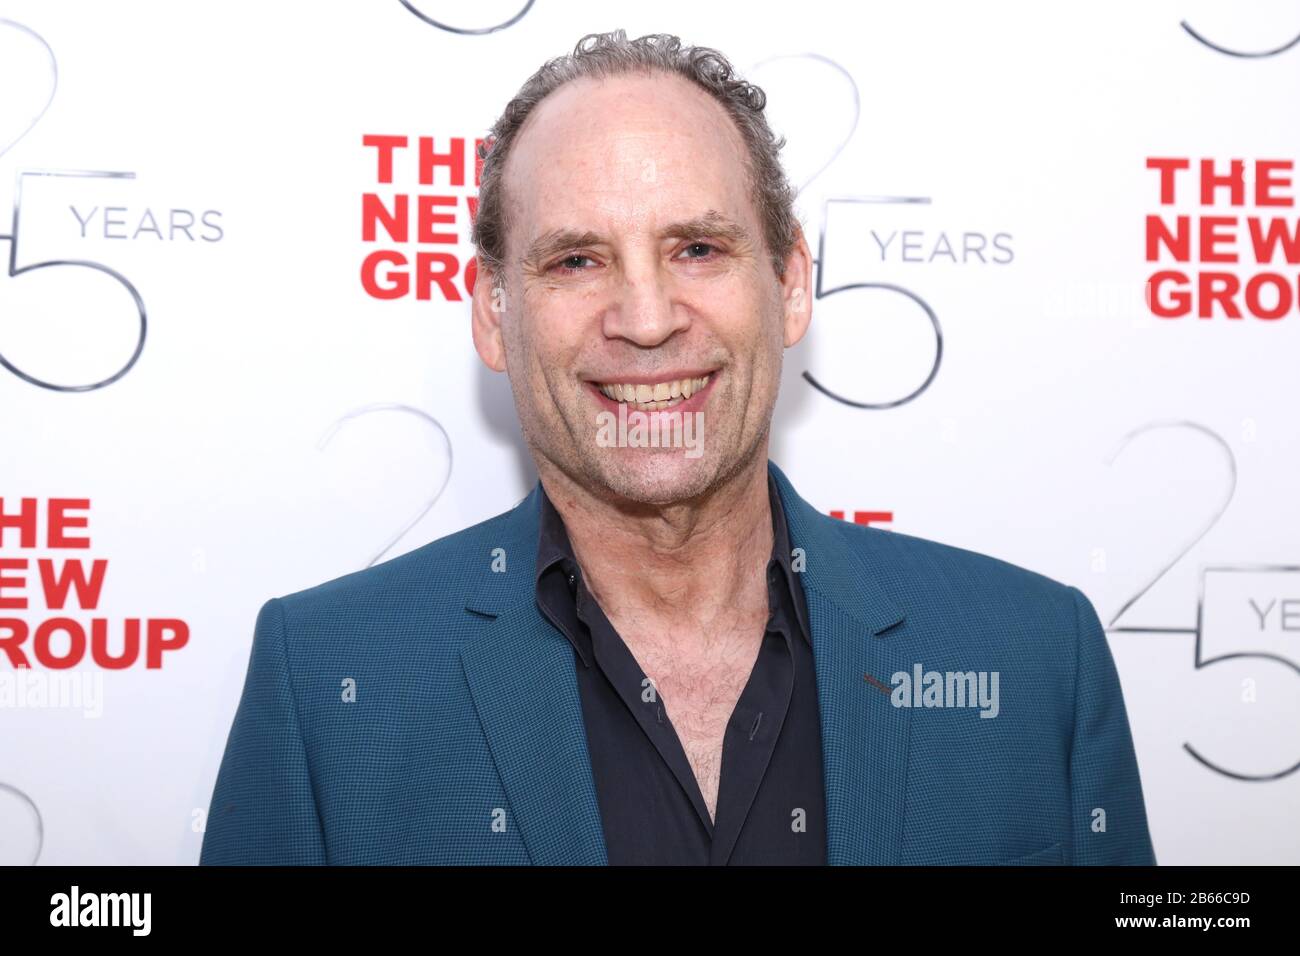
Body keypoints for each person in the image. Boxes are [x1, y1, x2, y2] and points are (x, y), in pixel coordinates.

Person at [200, 29, 1155, 866]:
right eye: (577, 260)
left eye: (697, 248)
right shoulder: (327, 685)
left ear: (789, 283)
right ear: (494, 315)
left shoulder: (1033, 657)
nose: (648, 320)